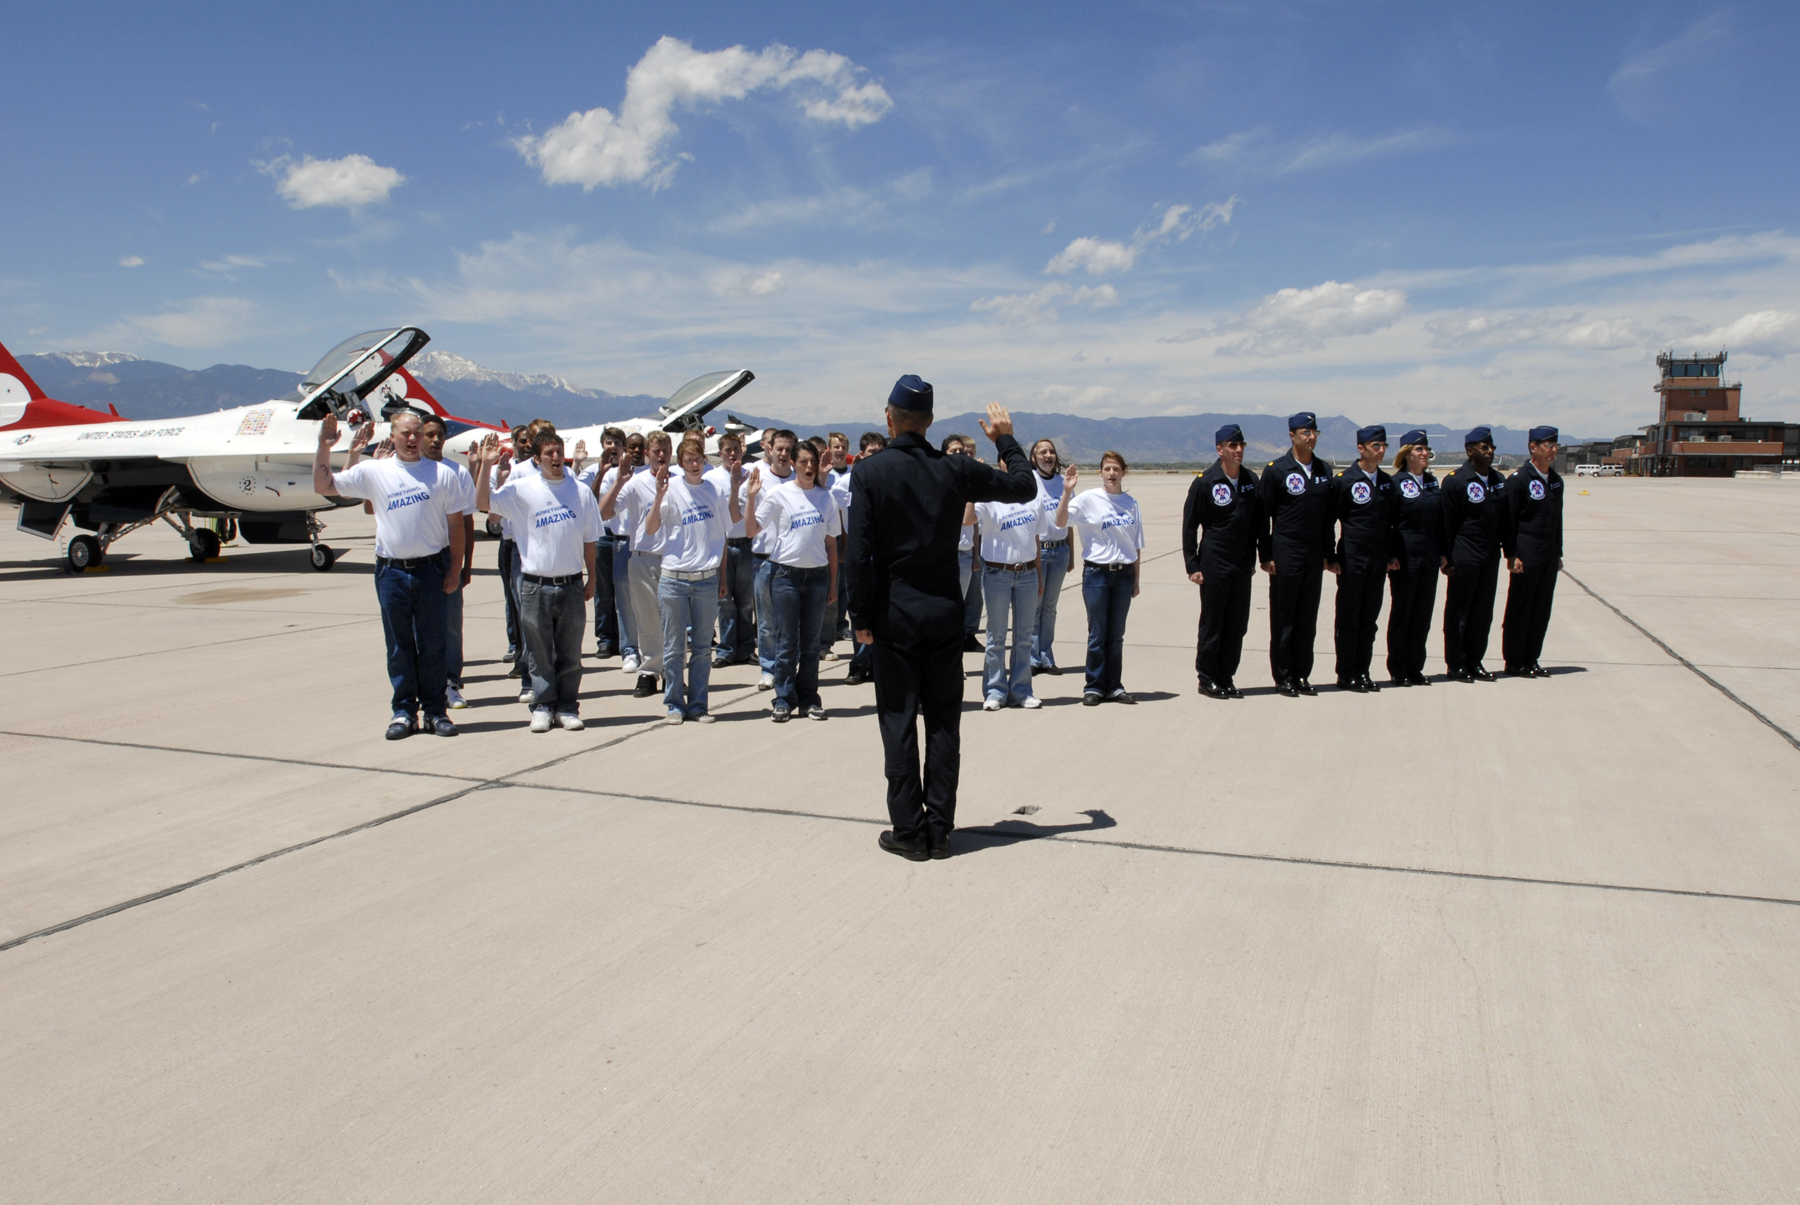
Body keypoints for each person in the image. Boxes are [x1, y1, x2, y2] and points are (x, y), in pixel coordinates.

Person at [846, 376, 1035, 861]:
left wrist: (859, 616)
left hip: (894, 616)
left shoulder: (870, 473)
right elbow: (1023, 484)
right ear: (929, 423)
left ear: (888, 418)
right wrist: (1005, 438)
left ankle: (909, 830)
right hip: (945, 614)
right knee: (945, 724)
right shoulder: (953, 469)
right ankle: (940, 829)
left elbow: (860, 553)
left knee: (898, 721)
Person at [311, 410, 465, 739]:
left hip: (431, 570)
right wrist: (325, 447)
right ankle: (404, 710)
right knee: (399, 646)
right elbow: (324, 484)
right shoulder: (374, 472)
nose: (412, 439)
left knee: (433, 644)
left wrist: (455, 568)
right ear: (392, 436)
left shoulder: (441, 475)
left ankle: (436, 711)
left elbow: (456, 526)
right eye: (405, 433)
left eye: (417, 434)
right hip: (392, 571)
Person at [477, 431, 601, 732]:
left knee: (571, 652)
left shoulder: (580, 491)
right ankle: (543, 706)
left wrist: (592, 577)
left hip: (570, 584)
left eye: (559, 451)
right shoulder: (521, 490)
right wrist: (485, 466)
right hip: (535, 585)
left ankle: (567, 706)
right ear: (537, 458)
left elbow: (590, 540)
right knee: (540, 651)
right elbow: (483, 504)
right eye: (549, 453)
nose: (556, 457)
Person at [748, 440, 841, 721]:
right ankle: (784, 699)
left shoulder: (827, 498)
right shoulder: (779, 494)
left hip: (817, 577)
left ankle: (810, 698)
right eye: (803, 462)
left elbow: (832, 545)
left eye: (812, 462)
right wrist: (751, 497)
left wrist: (833, 584)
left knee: (811, 643)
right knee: (786, 641)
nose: (809, 467)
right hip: (785, 575)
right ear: (793, 465)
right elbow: (752, 529)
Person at [649, 433, 734, 723]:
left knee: (701, 647)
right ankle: (674, 702)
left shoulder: (713, 491)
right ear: (681, 463)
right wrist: (659, 494)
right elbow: (651, 529)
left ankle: (698, 704)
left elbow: (722, 536)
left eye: (698, 459)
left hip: (707, 578)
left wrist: (722, 577)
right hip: (674, 578)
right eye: (688, 460)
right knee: (673, 646)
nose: (694, 464)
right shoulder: (670, 488)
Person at [1056, 452, 1144, 705]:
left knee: (1116, 635)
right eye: (1107, 468)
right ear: (1101, 472)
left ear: (1123, 472)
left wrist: (1136, 579)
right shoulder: (1088, 499)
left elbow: (1136, 544)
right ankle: (1093, 687)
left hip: (1124, 574)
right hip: (1097, 574)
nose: (1111, 473)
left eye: (1116, 468)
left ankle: (1114, 686)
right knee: (1097, 633)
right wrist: (1066, 492)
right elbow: (1061, 521)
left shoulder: (1131, 503)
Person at [1182, 423, 1262, 699]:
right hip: (1214, 562)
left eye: (1241, 446)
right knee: (1213, 623)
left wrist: (1256, 558)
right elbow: (1190, 527)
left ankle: (1226, 676)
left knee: (1237, 624)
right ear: (1220, 449)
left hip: (1242, 564)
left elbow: (1258, 525)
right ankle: (1207, 678)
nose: (1238, 450)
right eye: (1233, 446)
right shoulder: (1206, 482)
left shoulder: (1252, 481)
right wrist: (1192, 565)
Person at [1258, 411, 1335, 697]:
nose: (1311, 437)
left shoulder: (1324, 471)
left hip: (1314, 558)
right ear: (1292, 435)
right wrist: (1265, 556)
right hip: (1285, 555)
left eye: (1314, 432)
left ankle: (1302, 674)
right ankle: (1284, 677)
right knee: (1284, 620)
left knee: (1307, 621)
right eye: (1305, 433)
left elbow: (1328, 519)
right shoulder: (1277, 470)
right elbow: (1262, 517)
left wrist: (1330, 554)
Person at [969, 456, 1048, 710]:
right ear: (999, 466)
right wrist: (971, 484)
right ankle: (995, 691)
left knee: (1024, 636)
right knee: (996, 637)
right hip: (997, 574)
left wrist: (1038, 573)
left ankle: (1022, 691)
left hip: (1026, 572)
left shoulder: (1033, 496)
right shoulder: (989, 495)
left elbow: (1035, 538)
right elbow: (967, 519)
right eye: (1005, 462)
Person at [603, 430, 673, 698]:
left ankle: (672, 671)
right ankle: (648, 671)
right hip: (643, 557)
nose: (661, 455)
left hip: (672, 559)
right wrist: (619, 482)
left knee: (672, 620)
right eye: (656, 450)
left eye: (665, 450)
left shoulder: (679, 482)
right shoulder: (635, 483)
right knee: (646, 619)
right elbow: (605, 513)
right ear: (647, 454)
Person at [1329, 425, 1400, 692]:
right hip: (1352, 559)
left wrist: (1390, 554)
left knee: (1369, 620)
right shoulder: (1344, 481)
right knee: (1349, 619)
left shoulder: (1386, 482)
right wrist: (1332, 557)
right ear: (1361, 449)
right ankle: (1346, 673)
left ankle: (1363, 670)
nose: (1381, 451)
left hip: (1377, 560)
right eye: (1375, 446)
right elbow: (1330, 521)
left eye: (1384, 446)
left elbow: (1390, 523)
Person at [1441, 426, 1508, 682]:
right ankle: (1455, 663)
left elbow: (1505, 522)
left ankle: (1475, 660)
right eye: (1484, 447)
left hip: (1489, 557)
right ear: (1470, 450)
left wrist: (1509, 552)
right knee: (1459, 613)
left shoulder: (1498, 481)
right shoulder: (1456, 481)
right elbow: (1446, 524)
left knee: (1483, 613)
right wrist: (1445, 557)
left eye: (1492, 448)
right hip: (1463, 557)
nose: (1490, 452)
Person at [420, 415, 477, 710]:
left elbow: (467, 524)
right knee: (421, 626)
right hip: (419, 557)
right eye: (429, 434)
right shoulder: (411, 471)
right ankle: (425, 685)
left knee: (452, 625)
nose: (435, 440)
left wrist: (465, 565)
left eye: (439, 435)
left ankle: (452, 683)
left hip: (447, 555)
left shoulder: (457, 473)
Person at [1501, 425, 1564, 677]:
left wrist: (1558, 553)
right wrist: (1511, 554)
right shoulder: (1519, 480)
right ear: (1533, 447)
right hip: (1526, 556)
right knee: (1521, 609)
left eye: (1555, 445)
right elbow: (1509, 520)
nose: (1553, 450)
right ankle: (1514, 661)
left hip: (1548, 555)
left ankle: (1531, 658)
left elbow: (1557, 520)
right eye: (1548, 445)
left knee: (1541, 610)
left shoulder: (1556, 481)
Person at [1385, 430, 1446, 686]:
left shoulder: (1432, 482)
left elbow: (1440, 521)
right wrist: (1390, 554)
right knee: (1403, 613)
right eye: (1419, 450)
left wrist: (1443, 552)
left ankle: (1415, 667)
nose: (1425, 454)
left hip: (1429, 558)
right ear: (1406, 454)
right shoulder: (1395, 483)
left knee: (1422, 615)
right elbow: (1386, 523)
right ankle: (1399, 669)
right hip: (1405, 559)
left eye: (1426, 450)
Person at [746, 428, 796, 690]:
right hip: (764, 558)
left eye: (789, 450)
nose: (784, 454)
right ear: (770, 449)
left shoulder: (801, 479)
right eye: (780, 449)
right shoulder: (758, 478)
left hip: (792, 561)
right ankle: (768, 667)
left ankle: (789, 666)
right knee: (765, 620)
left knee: (790, 621)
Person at [703, 432, 754, 668]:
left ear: (741, 450)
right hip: (723, 544)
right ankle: (726, 648)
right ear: (720, 452)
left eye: (736, 448)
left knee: (745, 601)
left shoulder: (749, 475)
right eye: (727, 449)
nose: (732, 453)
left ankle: (745, 648)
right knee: (724, 600)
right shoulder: (711, 478)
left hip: (745, 543)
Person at [597, 432, 647, 673]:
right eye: (632, 447)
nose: (636, 451)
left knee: (649, 602)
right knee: (624, 601)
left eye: (641, 447)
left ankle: (649, 649)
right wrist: (620, 480)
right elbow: (603, 510)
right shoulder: (611, 475)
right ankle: (629, 650)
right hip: (622, 543)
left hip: (648, 546)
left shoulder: (654, 475)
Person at [839, 431, 886, 687]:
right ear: (861, 454)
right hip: (857, 553)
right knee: (859, 610)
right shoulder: (844, 483)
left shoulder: (889, 480)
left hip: (880, 554)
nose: (874, 457)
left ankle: (877, 665)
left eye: (879, 453)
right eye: (870, 453)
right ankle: (858, 665)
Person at [576, 426, 627, 658]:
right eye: (608, 443)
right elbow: (588, 500)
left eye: (617, 443)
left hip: (625, 536)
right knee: (603, 591)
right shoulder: (591, 472)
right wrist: (600, 472)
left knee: (624, 592)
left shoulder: (631, 471)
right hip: (602, 535)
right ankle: (606, 638)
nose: (613, 447)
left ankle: (626, 638)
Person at [1027, 438, 1072, 676]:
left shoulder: (1063, 483)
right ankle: (1032, 658)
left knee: (1050, 607)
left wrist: (1072, 553)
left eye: (1051, 451)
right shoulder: (1029, 482)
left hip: (1061, 551)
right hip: (1039, 551)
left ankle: (1046, 656)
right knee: (1035, 606)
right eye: (1042, 452)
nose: (1048, 455)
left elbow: (1070, 522)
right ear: (1034, 458)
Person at [494, 424, 531, 676]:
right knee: (514, 599)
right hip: (510, 541)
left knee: (526, 602)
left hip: (527, 541)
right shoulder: (511, 471)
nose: (527, 445)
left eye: (531, 441)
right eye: (523, 441)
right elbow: (492, 511)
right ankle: (517, 647)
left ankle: (526, 655)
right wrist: (499, 478)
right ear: (514, 443)